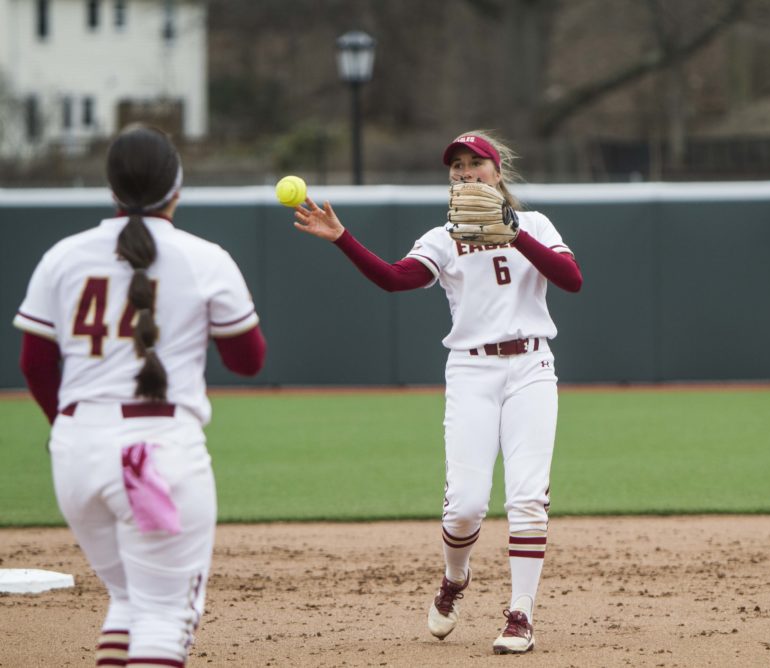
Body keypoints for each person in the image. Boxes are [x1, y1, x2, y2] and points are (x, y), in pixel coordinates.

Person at [293, 129, 582, 654]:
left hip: (533, 366)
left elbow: (571, 279)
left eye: (476, 163)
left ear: (498, 172)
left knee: (527, 498)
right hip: (472, 371)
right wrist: (342, 238)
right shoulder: (442, 237)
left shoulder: (533, 223)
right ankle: (455, 578)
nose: (466, 172)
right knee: (465, 509)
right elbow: (394, 279)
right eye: (457, 166)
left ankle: (520, 615)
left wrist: (512, 232)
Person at [13, 124, 266, 668]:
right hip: (157, 449)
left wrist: (71, 430)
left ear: (112, 189)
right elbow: (248, 360)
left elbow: (35, 365)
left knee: (130, 602)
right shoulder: (204, 257)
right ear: (177, 186)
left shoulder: (63, 255)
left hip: (77, 450)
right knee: (164, 616)